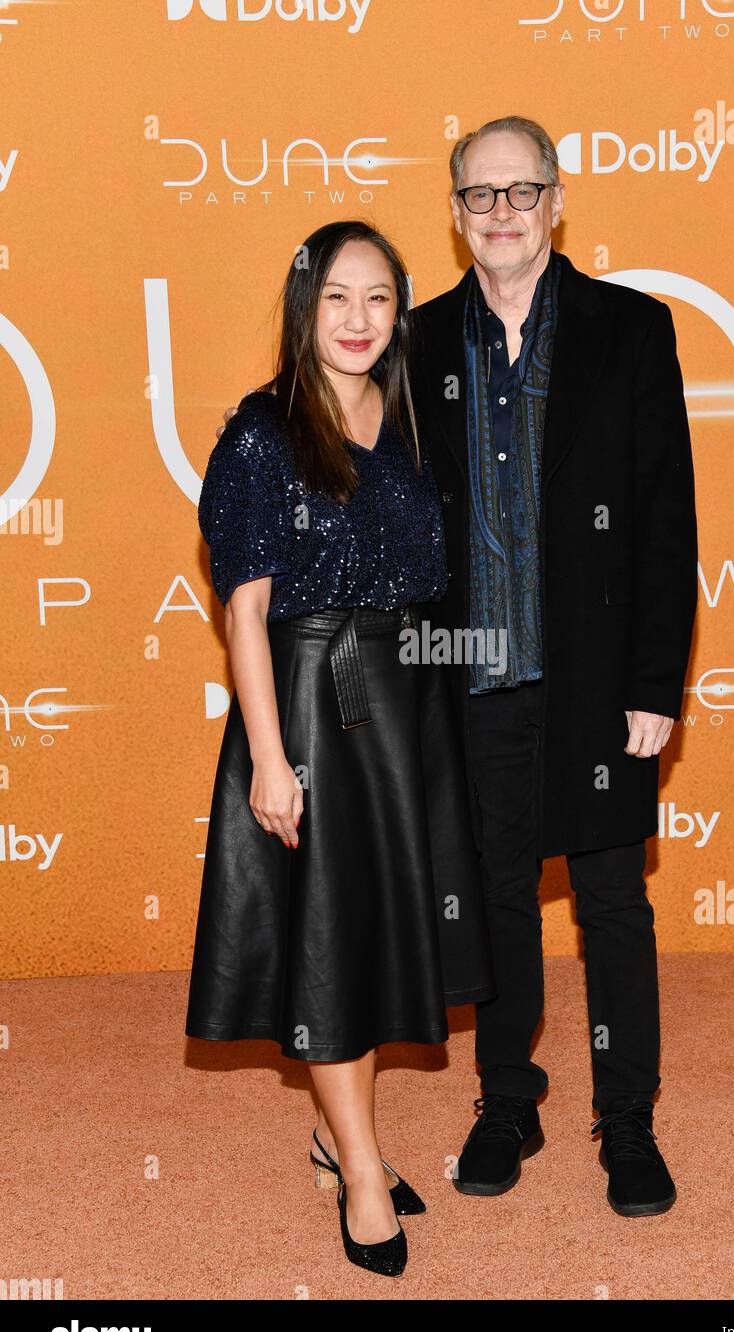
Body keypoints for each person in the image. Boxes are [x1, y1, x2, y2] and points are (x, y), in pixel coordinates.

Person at [220, 115, 699, 1221]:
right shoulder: (417, 343)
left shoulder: (632, 331)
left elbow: (666, 519)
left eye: (520, 190)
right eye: (478, 195)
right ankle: (506, 1099)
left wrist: (651, 686)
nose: (501, 212)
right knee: (491, 904)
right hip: (462, 680)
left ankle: (626, 1120)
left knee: (613, 901)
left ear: (556, 198)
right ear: (453, 212)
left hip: (594, 684)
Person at [186, 220, 496, 1278]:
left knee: (369, 943)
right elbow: (245, 609)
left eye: (378, 299)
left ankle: (336, 1137)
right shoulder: (261, 434)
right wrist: (273, 761)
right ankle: (361, 1172)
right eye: (337, 299)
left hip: (405, 711)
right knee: (326, 944)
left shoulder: (411, 424)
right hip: (314, 711)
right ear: (302, 308)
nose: (359, 321)